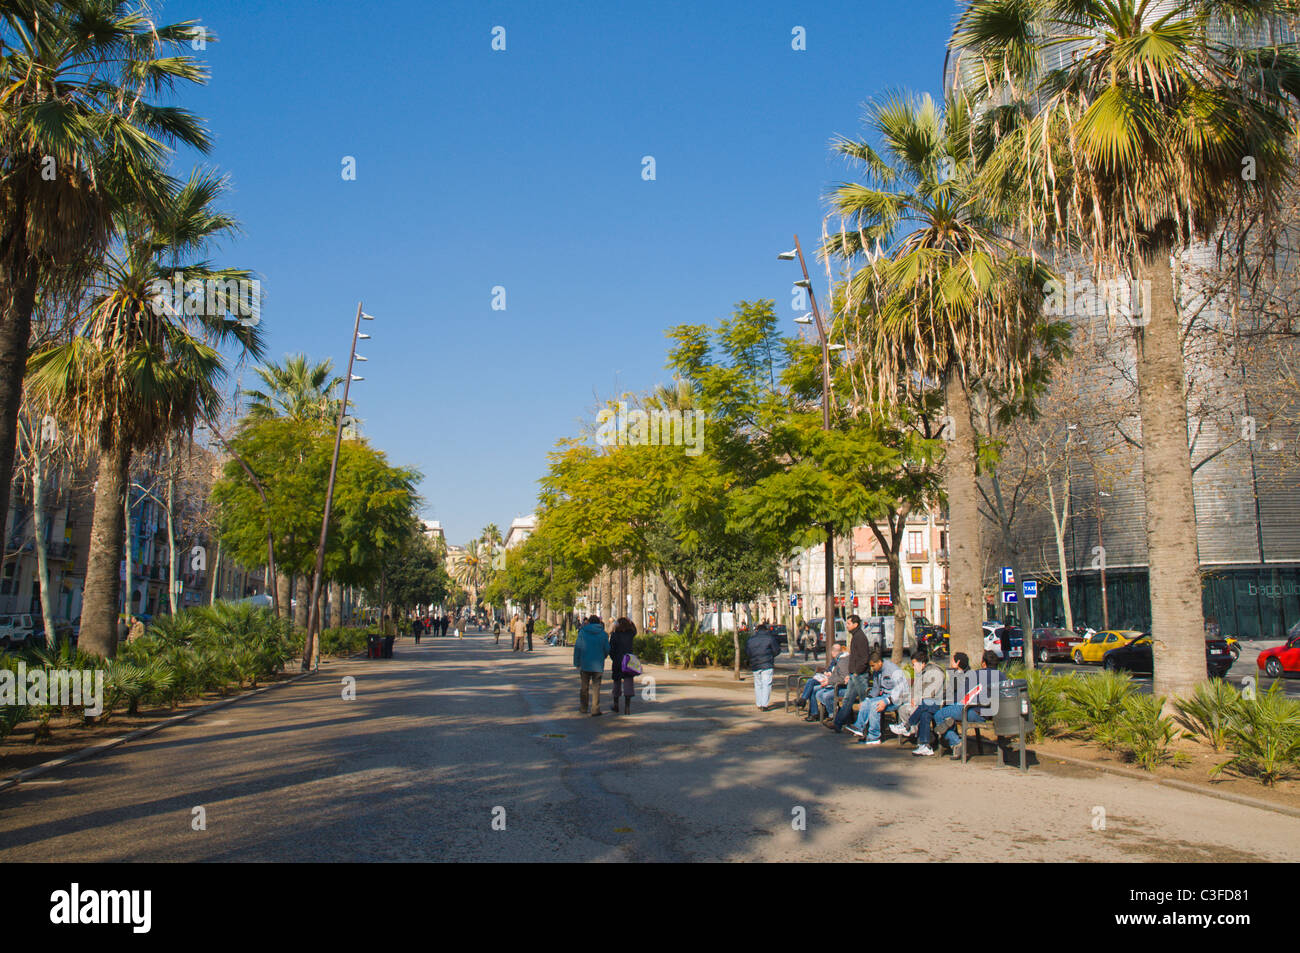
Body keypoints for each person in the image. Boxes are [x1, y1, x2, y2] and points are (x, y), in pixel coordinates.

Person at [931, 650, 1001, 759]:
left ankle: (956, 743)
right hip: (989, 714)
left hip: (972, 711)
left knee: (938, 715)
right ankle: (949, 723)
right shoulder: (1002, 676)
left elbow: (962, 695)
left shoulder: (977, 674)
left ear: (984, 663)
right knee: (948, 715)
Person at [887, 647, 946, 754]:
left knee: (927, 704)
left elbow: (931, 693)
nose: (913, 667)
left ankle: (907, 725)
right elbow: (916, 690)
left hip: (936, 703)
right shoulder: (921, 672)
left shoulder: (936, 672)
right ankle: (925, 746)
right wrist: (913, 698)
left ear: (923, 663)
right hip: (926, 705)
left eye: (914, 664)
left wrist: (918, 700)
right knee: (925, 715)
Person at [847, 649, 908, 744]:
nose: (872, 668)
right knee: (867, 702)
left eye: (873, 666)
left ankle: (874, 736)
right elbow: (875, 689)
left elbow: (899, 691)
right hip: (884, 696)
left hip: (897, 699)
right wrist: (867, 699)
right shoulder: (877, 671)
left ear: (879, 662)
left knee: (875, 705)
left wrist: (886, 701)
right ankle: (859, 727)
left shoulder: (893, 670)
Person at [831, 615, 873, 730]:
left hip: (859, 675)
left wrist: (856, 672)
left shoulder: (860, 638)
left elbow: (864, 658)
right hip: (854, 675)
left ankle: (865, 727)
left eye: (849, 623)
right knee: (848, 700)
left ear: (856, 624)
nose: (847, 626)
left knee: (864, 701)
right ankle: (837, 723)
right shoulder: (855, 636)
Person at [573, 615, 610, 715]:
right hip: (598, 664)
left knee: (584, 687)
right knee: (596, 687)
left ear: (588, 622)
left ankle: (583, 707)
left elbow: (578, 648)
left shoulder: (583, 632)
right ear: (598, 622)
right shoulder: (603, 634)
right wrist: (603, 656)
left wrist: (576, 662)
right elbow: (607, 649)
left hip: (585, 663)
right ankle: (595, 709)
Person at [745, 622, 782, 711]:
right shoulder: (770, 638)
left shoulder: (751, 639)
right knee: (766, 684)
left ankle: (759, 703)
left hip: (755, 664)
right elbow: (777, 650)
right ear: (766, 629)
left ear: (757, 630)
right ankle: (764, 704)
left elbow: (747, 651)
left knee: (758, 684)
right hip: (767, 664)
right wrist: (771, 656)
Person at [797, 645, 841, 721]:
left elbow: (840, 674)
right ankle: (806, 704)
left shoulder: (841, 660)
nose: (833, 653)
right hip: (826, 679)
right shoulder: (834, 660)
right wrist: (826, 672)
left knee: (812, 688)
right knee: (811, 682)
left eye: (834, 651)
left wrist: (831, 675)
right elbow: (829, 669)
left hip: (832, 683)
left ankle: (809, 707)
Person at [814, 642, 851, 723]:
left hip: (844, 688)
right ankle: (835, 712)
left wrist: (828, 682)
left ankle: (834, 715)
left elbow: (843, 678)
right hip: (835, 685)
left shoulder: (842, 661)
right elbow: (836, 675)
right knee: (819, 694)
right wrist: (828, 680)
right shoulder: (839, 660)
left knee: (826, 695)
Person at [608, 617, 637, 714]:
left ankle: (616, 705)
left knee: (617, 683)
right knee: (628, 683)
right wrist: (630, 621)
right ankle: (627, 707)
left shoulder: (615, 635)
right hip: (628, 661)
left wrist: (614, 658)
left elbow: (611, 649)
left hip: (617, 661)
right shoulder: (630, 634)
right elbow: (635, 630)